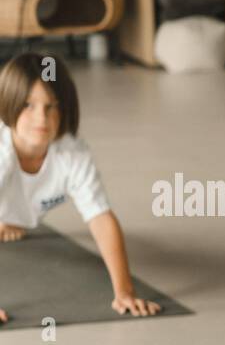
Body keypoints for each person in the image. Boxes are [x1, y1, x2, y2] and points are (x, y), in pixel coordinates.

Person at [0, 53, 161, 317]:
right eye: (28, 105)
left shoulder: (71, 152)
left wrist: (125, 292)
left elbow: (100, 217)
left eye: (51, 106)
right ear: (9, 104)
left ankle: (8, 219)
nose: (41, 118)